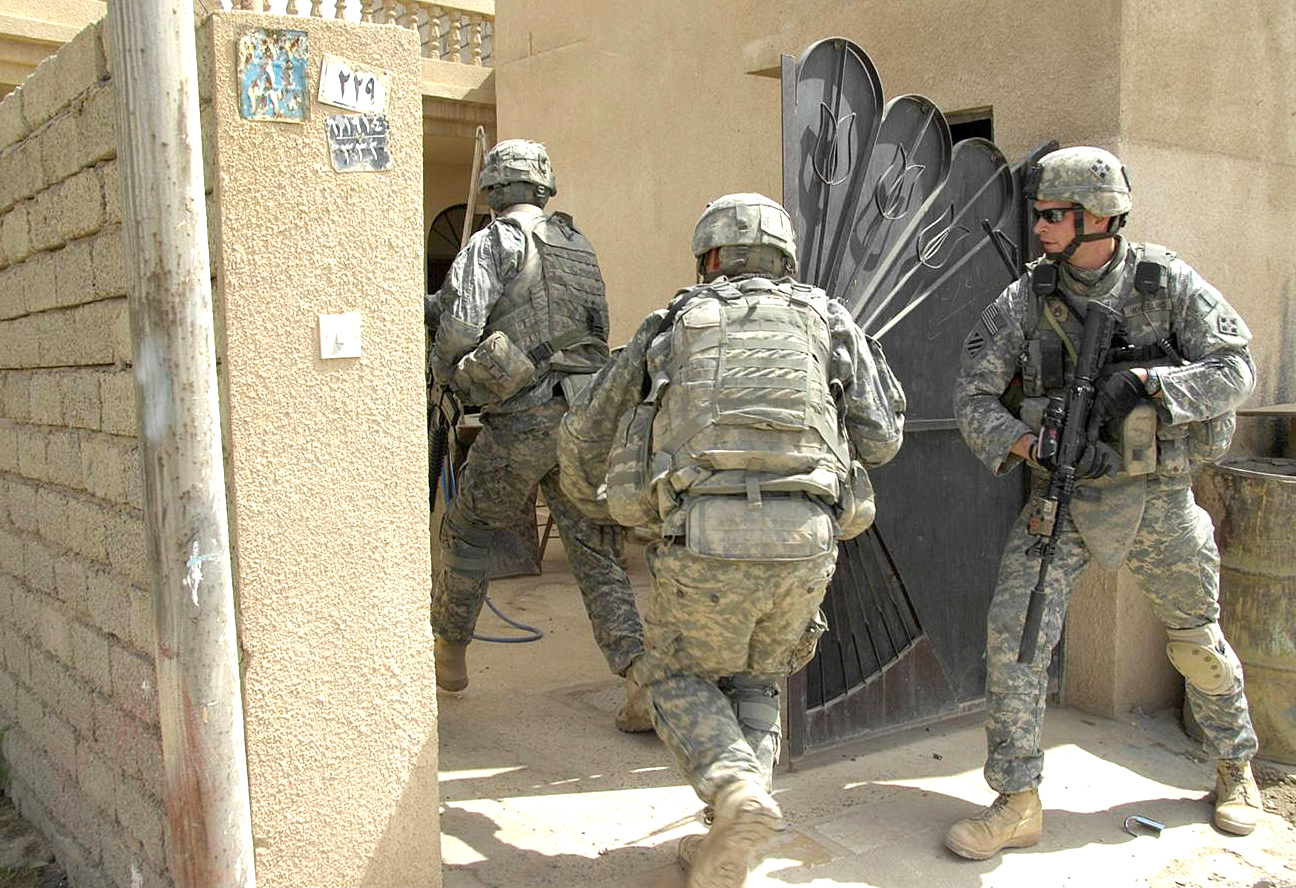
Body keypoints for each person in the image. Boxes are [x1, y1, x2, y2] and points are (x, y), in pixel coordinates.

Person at [558, 193, 905, 888]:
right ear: (785, 257)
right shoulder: (828, 319)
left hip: (704, 536)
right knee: (758, 673)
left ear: (709, 257)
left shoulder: (673, 322)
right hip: (807, 536)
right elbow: (884, 438)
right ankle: (733, 835)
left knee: (672, 674)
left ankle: (734, 793)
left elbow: (591, 427)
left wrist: (585, 495)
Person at [947, 146, 1261, 859]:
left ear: (1100, 217)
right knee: (1015, 640)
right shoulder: (1026, 298)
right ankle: (1017, 798)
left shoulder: (1165, 282)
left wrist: (1152, 385)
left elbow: (1237, 366)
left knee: (1197, 642)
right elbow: (970, 396)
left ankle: (1234, 767)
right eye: (1038, 214)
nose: (1041, 227)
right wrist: (1036, 448)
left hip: (1158, 496)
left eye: (1055, 215)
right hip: (1064, 501)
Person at [426, 139, 649, 732]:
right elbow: (593, 331)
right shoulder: (578, 245)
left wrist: (449, 367)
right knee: (597, 556)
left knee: (467, 531)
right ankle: (640, 680)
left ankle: (449, 657)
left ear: (494, 190)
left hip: (522, 419)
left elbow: (460, 330)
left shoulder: (492, 241)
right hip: (582, 420)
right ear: (544, 187)